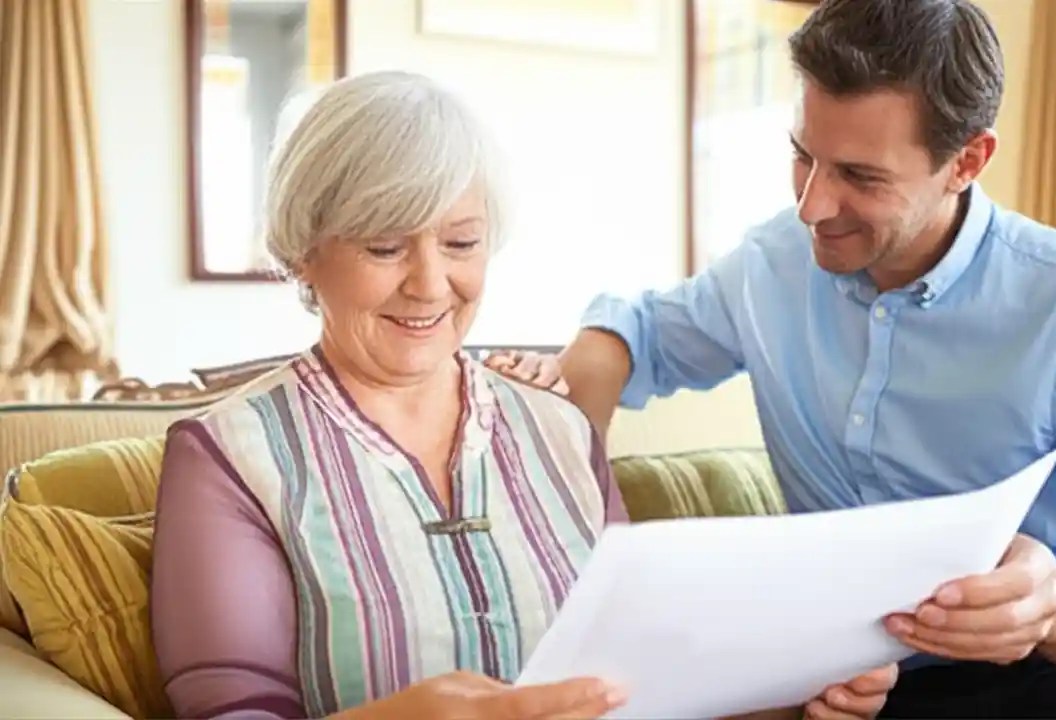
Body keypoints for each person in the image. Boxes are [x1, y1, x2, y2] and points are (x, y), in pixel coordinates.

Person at [486, 0, 1056, 717]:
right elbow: (637, 332)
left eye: (860, 177)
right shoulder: (771, 264)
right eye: (804, 156)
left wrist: (1052, 605)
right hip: (829, 681)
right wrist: (562, 428)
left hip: (1040, 679)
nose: (811, 206)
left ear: (967, 161)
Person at [150, 70, 894, 720]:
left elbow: (647, 680)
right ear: (304, 252)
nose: (430, 283)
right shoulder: (230, 456)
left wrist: (796, 695)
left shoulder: (561, 428)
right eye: (384, 247)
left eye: (462, 243)